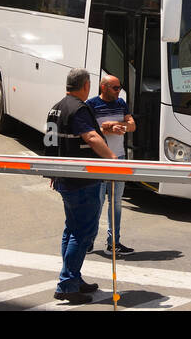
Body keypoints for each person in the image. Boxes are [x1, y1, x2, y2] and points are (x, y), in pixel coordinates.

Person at [47, 67, 116, 303]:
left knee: (71, 229)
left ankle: (71, 278)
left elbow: (50, 143)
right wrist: (113, 161)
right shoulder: (79, 109)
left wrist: (52, 173)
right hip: (83, 180)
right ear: (85, 85)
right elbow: (92, 137)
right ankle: (67, 284)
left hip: (65, 179)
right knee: (82, 233)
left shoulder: (55, 108)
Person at [87, 73, 136, 256]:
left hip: (119, 158)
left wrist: (116, 123)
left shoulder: (121, 103)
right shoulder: (91, 105)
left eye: (119, 87)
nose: (118, 91)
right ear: (103, 88)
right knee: (97, 202)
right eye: (115, 88)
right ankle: (89, 241)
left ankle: (113, 242)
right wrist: (106, 128)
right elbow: (88, 131)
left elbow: (132, 125)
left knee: (115, 203)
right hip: (99, 159)